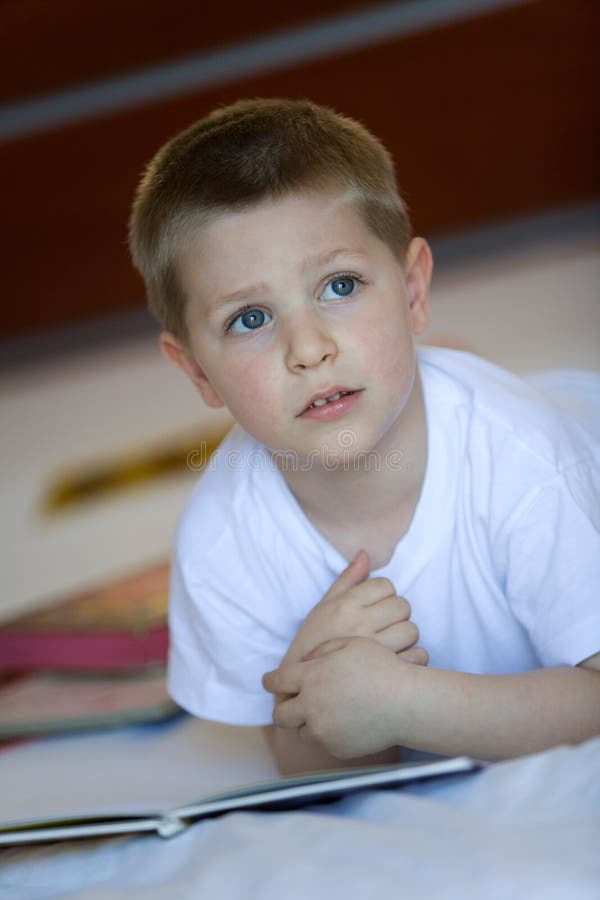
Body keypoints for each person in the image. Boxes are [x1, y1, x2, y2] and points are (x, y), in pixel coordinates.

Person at [129, 98, 600, 775]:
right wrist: (317, 684)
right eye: (250, 318)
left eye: (340, 285)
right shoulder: (221, 539)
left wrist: (411, 704)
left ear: (413, 293)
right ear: (198, 371)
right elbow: (311, 772)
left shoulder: (529, 463)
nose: (308, 348)